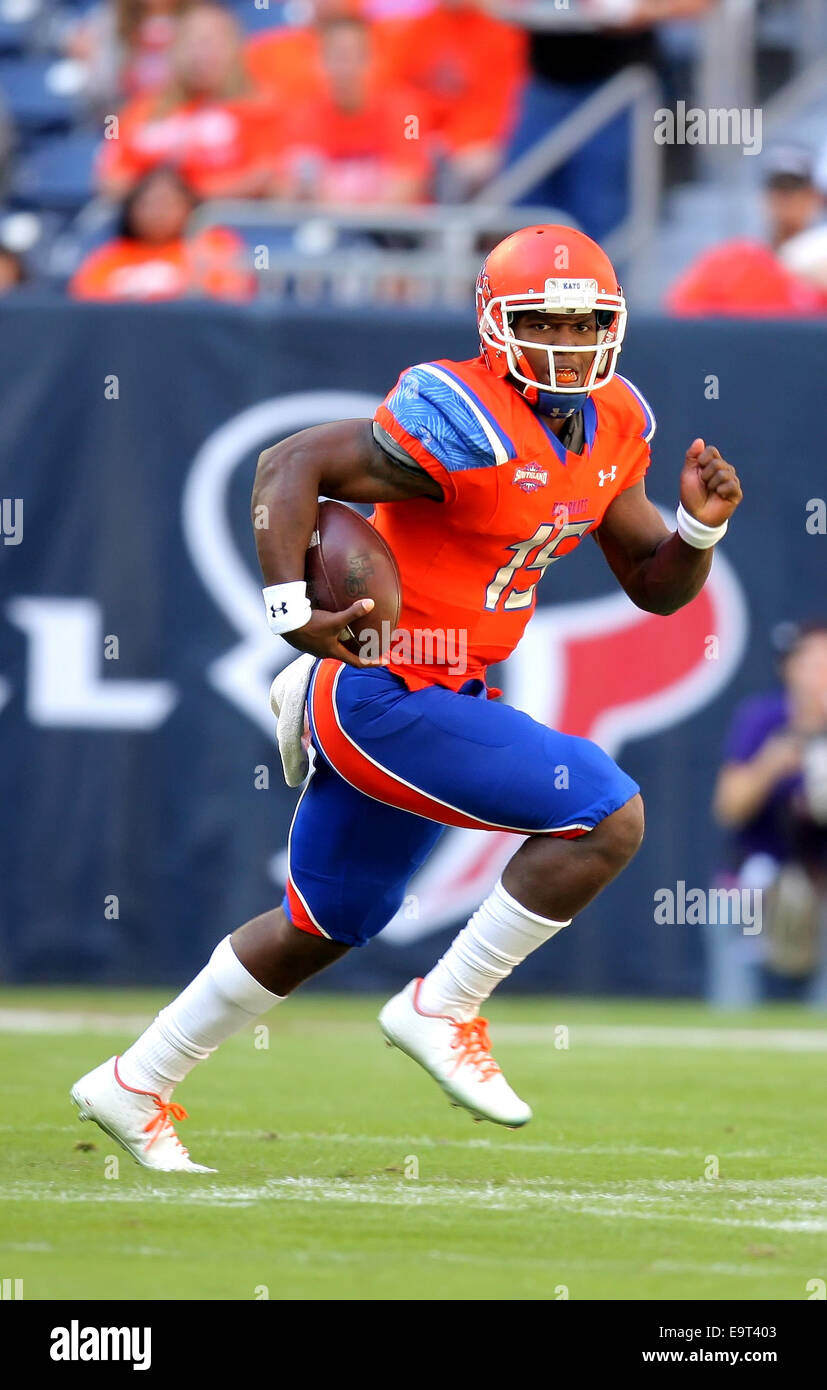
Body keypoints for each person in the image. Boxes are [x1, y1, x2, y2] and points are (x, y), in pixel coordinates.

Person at [70, 223, 743, 1171]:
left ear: (612, 325)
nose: (565, 342)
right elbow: (288, 465)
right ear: (495, 326)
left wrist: (696, 532)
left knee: (323, 926)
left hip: (443, 685)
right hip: (384, 684)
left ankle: (135, 1080)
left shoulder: (615, 423)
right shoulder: (460, 415)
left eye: (583, 323)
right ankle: (444, 1004)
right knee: (606, 814)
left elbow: (652, 586)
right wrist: (290, 610)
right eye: (541, 323)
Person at [710, 622, 827, 1005]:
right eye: (815, 664)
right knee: (727, 905)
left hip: (820, 884)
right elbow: (728, 808)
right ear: (790, 669)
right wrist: (772, 764)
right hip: (756, 879)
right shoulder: (763, 719)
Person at [97, 4, 282, 201]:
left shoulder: (260, 109)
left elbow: (264, 178)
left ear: (235, 49)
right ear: (173, 50)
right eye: (191, 44)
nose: (201, 55)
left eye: (212, 44)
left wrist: (186, 196)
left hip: (226, 217)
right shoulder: (141, 111)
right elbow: (112, 179)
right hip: (148, 217)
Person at [277, 12, 431, 205]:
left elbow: (410, 179)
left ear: (372, 60)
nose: (346, 68)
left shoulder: (409, 114)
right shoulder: (301, 116)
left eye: (355, 57)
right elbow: (290, 185)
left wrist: (354, 212)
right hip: (330, 220)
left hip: (393, 222)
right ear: (318, 62)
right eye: (336, 57)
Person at [667, 146, 827, 316]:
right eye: (779, 189)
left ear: (815, 198)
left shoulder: (821, 271)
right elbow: (682, 311)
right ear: (763, 198)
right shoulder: (730, 262)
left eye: (796, 189)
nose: (786, 199)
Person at [69, 166, 255, 301]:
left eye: (167, 203)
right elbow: (87, 308)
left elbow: (229, 299)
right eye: (148, 204)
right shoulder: (107, 258)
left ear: (189, 207)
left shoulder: (212, 248)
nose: (158, 212)